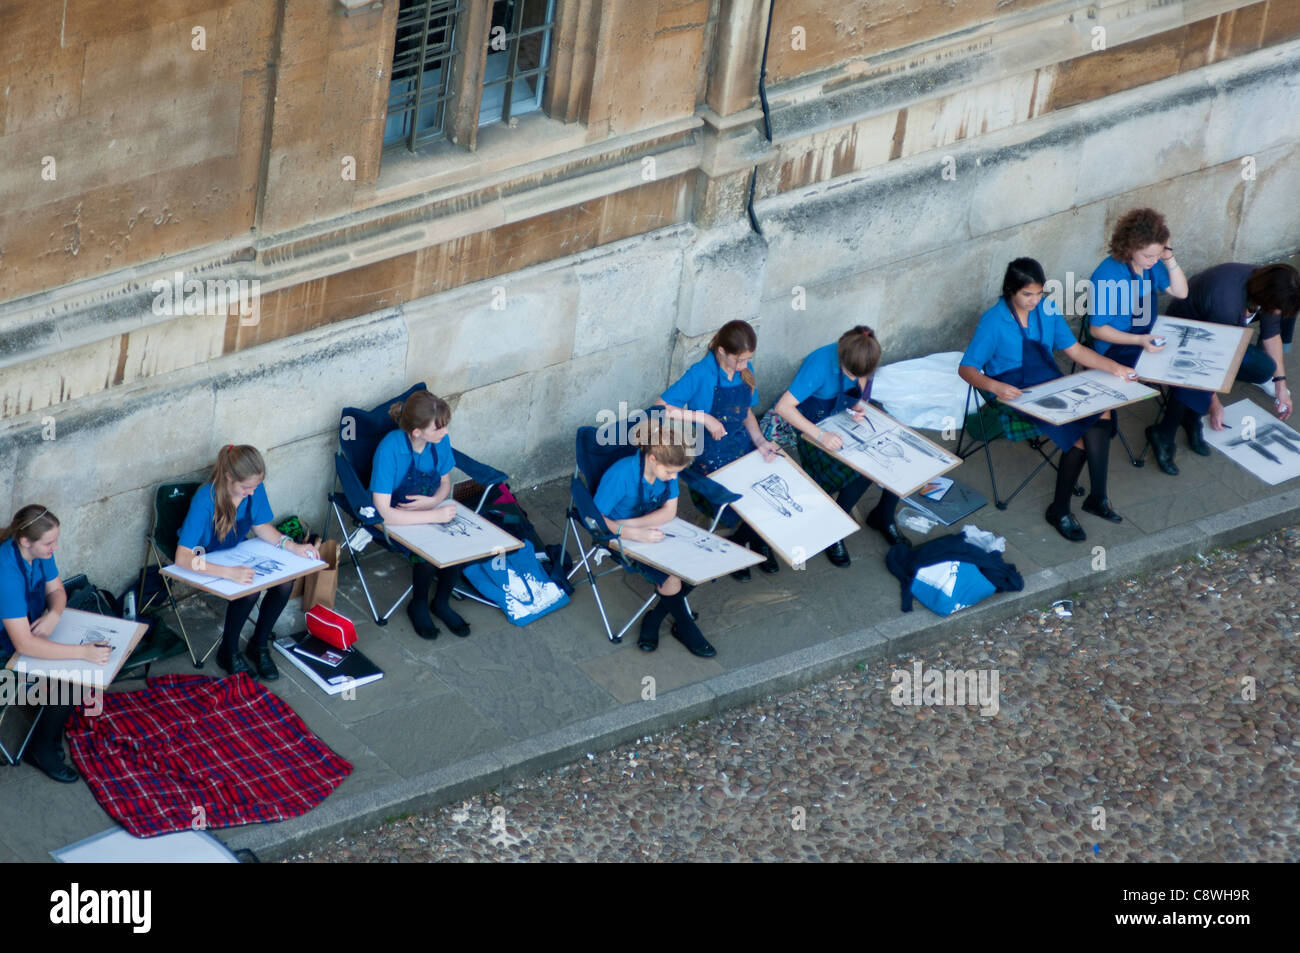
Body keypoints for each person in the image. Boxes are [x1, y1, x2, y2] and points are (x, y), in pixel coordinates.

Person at [960, 258, 1138, 542]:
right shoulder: (993, 321)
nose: (1034, 301)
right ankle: (1060, 509)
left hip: (1049, 382)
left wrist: (1115, 368)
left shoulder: (1048, 309)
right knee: (1081, 435)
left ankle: (1098, 496)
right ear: (1010, 291)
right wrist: (994, 386)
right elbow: (966, 369)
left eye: (1039, 293)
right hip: (1015, 390)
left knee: (1102, 412)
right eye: (1026, 295)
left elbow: (1076, 351)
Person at [175, 445, 315, 679]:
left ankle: (259, 644)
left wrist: (292, 546)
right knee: (248, 590)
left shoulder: (254, 490)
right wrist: (228, 573)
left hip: (232, 551)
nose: (251, 492)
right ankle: (228, 651)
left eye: (255, 486)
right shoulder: (205, 499)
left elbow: (261, 527)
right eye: (246, 487)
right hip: (202, 557)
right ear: (229, 477)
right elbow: (183, 557)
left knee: (284, 583)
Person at [655, 320, 781, 581]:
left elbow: (746, 412)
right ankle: (742, 544)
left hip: (741, 444)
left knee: (771, 488)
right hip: (709, 453)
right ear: (722, 351)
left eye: (748, 359)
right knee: (740, 497)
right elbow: (661, 406)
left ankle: (749, 539)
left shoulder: (745, 370)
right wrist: (704, 418)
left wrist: (760, 441)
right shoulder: (701, 373)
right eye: (740, 359)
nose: (745, 365)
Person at [774, 326, 903, 566]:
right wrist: (820, 435)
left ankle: (883, 516)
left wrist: (858, 403)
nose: (855, 379)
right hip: (812, 427)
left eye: (860, 375)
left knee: (892, 454)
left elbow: (861, 384)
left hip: (840, 419)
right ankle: (833, 526)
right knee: (861, 472)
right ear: (841, 357)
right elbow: (783, 407)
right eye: (851, 373)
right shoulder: (820, 364)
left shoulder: (863, 355)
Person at [0, 505, 109, 783]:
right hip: (7, 646)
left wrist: (53, 614)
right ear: (25, 541)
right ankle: (41, 749)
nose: (55, 547)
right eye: (49, 543)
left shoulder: (39, 553)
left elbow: (57, 591)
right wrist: (82, 652)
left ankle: (48, 732)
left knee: (80, 665)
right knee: (72, 677)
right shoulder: (6, 571)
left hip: (31, 628)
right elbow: (23, 643)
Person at [593, 422, 716, 657]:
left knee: (703, 562)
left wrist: (632, 525)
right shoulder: (621, 475)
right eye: (670, 472)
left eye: (676, 472)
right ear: (652, 459)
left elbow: (669, 512)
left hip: (648, 528)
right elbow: (596, 519)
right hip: (618, 538)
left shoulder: (668, 471)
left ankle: (655, 618)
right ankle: (686, 626)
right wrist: (630, 533)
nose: (674, 476)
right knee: (671, 577)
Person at [1087, 207, 1190, 474]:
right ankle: (1171, 430)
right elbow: (1097, 330)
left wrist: (1168, 258)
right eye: (1148, 255)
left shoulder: (1152, 265)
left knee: (1190, 368)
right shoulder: (1108, 275)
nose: (1153, 260)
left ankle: (1168, 431)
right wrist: (1141, 340)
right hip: (1117, 347)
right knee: (1178, 370)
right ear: (1130, 246)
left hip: (1146, 336)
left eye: (1158, 254)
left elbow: (1180, 291)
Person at [369, 391, 470, 641]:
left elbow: (445, 483)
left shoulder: (439, 442)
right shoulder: (390, 449)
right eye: (438, 429)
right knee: (426, 555)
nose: (444, 433)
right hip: (396, 517)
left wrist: (434, 501)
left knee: (459, 541)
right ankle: (419, 604)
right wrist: (434, 516)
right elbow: (383, 512)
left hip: (429, 508)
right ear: (417, 432)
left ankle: (442, 602)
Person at [1162, 263, 1300, 444]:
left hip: (1223, 335)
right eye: (1277, 308)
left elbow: (1272, 335)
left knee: (1266, 369)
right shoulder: (1226, 303)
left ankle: (1213, 389)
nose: (1277, 313)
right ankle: (1179, 420)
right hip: (1185, 337)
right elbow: (1213, 357)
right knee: (1207, 378)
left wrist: (1280, 386)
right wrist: (1214, 405)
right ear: (1267, 297)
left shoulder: (1267, 285)